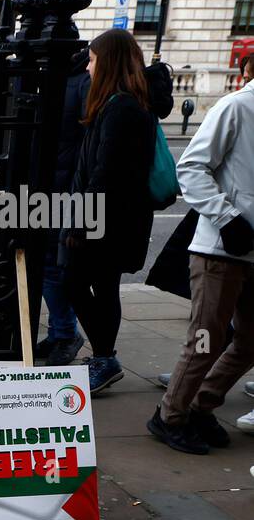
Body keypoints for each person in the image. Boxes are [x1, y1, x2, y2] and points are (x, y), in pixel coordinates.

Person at [147, 72, 254, 452]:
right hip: (220, 251)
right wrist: (227, 218)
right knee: (206, 339)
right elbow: (191, 168)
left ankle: (200, 405)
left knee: (250, 340)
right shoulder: (237, 106)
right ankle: (169, 416)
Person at [62, 29, 158, 395]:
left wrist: (80, 223)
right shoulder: (124, 104)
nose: (88, 66)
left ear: (109, 62)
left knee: (77, 281)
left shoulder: (122, 109)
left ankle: (104, 358)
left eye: (92, 59)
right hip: (112, 218)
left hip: (108, 221)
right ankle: (104, 356)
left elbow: (106, 174)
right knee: (102, 287)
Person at [38, 51, 90, 367]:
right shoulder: (44, 74)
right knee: (40, 263)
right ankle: (59, 331)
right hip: (40, 186)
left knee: (53, 265)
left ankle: (66, 332)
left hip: (63, 192)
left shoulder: (81, 82)